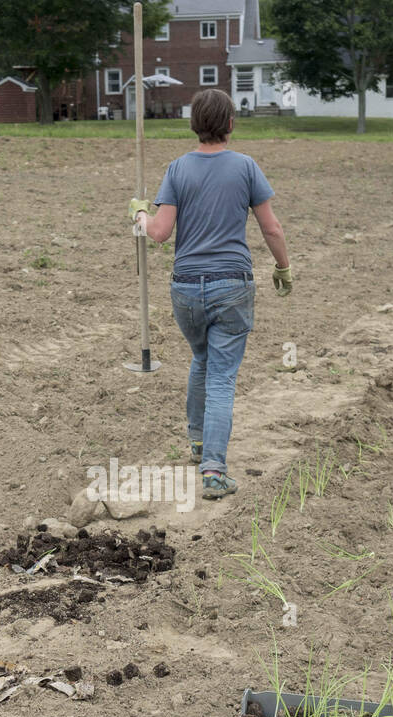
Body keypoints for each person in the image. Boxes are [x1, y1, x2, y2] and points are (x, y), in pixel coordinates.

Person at [129, 88, 292, 501]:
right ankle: (214, 471)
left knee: (202, 360)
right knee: (221, 376)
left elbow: (161, 234)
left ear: (193, 125)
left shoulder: (177, 169)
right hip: (231, 286)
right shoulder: (246, 168)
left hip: (185, 289)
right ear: (231, 124)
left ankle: (199, 445)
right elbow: (271, 228)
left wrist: (140, 214)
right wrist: (283, 267)